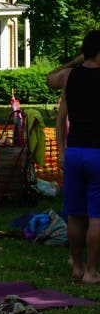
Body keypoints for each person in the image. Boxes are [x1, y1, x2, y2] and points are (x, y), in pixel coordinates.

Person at [56, 30, 100, 283]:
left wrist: (73, 62)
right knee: (97, 216)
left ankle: (77, 265)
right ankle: (92, 272)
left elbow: (51, 78)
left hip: (74, 153)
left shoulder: (69, 76)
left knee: (74, 214)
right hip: (98, 153)